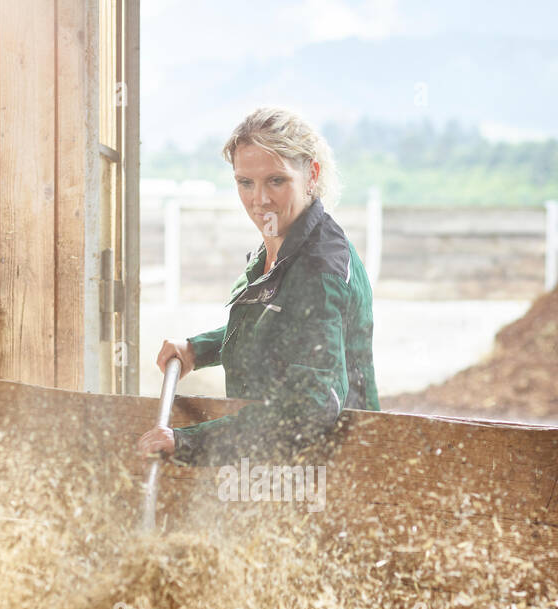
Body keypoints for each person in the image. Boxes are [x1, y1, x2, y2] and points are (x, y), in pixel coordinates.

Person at [135, 107, 378, 468]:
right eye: (245, 182)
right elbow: (277, 328)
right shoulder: (280, 243)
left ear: (311, 174)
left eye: (276, 181)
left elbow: (309, 412)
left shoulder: (320, 269)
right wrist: (198, 350)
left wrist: (190, 443)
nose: (259, 199)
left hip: (331, 472)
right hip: (272, 464)